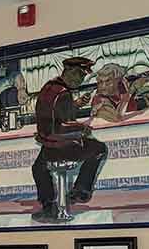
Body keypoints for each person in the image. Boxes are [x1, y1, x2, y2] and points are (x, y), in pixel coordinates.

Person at [32, 56, 108, 221]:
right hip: (60, 146)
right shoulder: (64, 94)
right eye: (80, 75)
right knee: (99, 149)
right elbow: (60, 126)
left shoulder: (51, 87)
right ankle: (80, 191)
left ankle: (48, 205)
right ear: (70, 72)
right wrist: (82, 128)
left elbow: (55, 114)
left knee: (38, 168)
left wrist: (77, 104)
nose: (81, 80)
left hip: (48, 143)